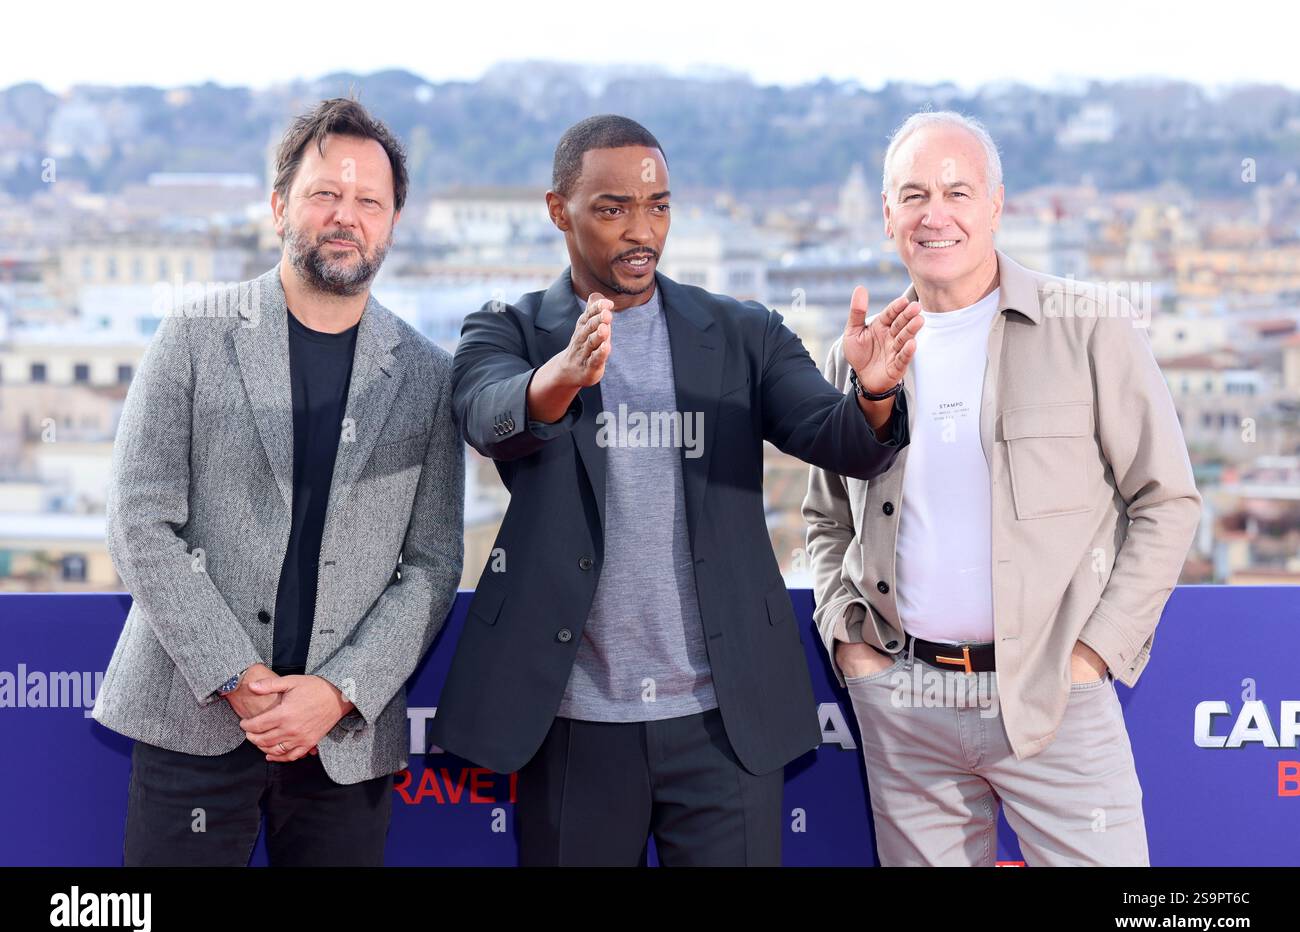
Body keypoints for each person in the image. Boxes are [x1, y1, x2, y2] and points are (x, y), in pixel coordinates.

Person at [430, 114, 922, 866]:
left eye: (658, 207)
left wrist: (873, 394)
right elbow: (485, 414)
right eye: (612, 207)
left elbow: (841, 441)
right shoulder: (510, 329)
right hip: (572, 723)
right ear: (558, 210)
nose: (641, 230)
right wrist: (556, 380)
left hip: (724, 724)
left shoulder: (741, 333)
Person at [803, 110, 1201, 866]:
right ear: (887, 214)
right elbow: (827, 519)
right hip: (907, 708)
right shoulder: (856, 354)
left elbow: (1167, 500)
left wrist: (1092, 657)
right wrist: (853, 646)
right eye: (913, 194)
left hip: (1055, 701)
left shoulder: (1087, 328)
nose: (934, 214)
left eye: (958, 191)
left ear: (996, 204)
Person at [92, 97, 464, 866]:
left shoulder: (427, 376)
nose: (345, 215)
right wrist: (238, 678)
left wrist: (335, 692)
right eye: (325, 193)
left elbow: (432, 564)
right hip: (191, 721)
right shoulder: (192, 338)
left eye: (369, 200)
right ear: (278, 206)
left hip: (344, 741)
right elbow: (138, 521)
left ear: (393, 220)